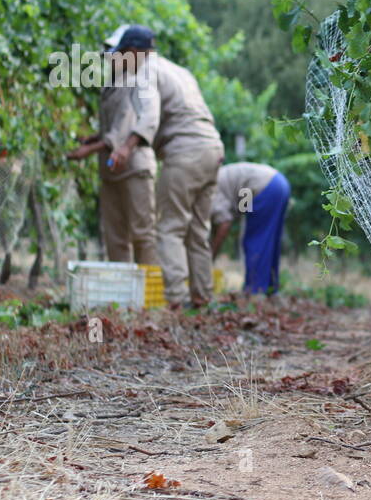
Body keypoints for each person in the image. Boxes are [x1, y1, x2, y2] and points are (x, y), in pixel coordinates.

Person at [109, 25, 224, 309]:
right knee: (198, 230)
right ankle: (202, 297)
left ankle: (176, 301)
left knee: (169, 228)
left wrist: (125, 147)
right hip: (212, 148)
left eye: (122, 55)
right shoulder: (179, 71)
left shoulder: (145, 72)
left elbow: (149, 115)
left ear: (134, 53)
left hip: (184, 152)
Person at [64, 25, 159, 264]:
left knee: (141, 232)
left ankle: (147, 294)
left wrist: (88, 150)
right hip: (112, 169)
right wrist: (94, 139)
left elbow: (123, 129)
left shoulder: (137, 81)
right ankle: (122, 294)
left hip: (134, 166)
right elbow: (113, 128)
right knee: (115, 235)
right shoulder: (111, 84)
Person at [210, 161, 290, 295]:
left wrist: (211, 256)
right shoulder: (217, 177)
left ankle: (255, 292)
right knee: (269, 242)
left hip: (266, 187)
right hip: (279, 183)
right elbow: (239, 206)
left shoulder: (211, 188)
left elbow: (224, 224)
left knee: (255, 242)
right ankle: (270, 289)